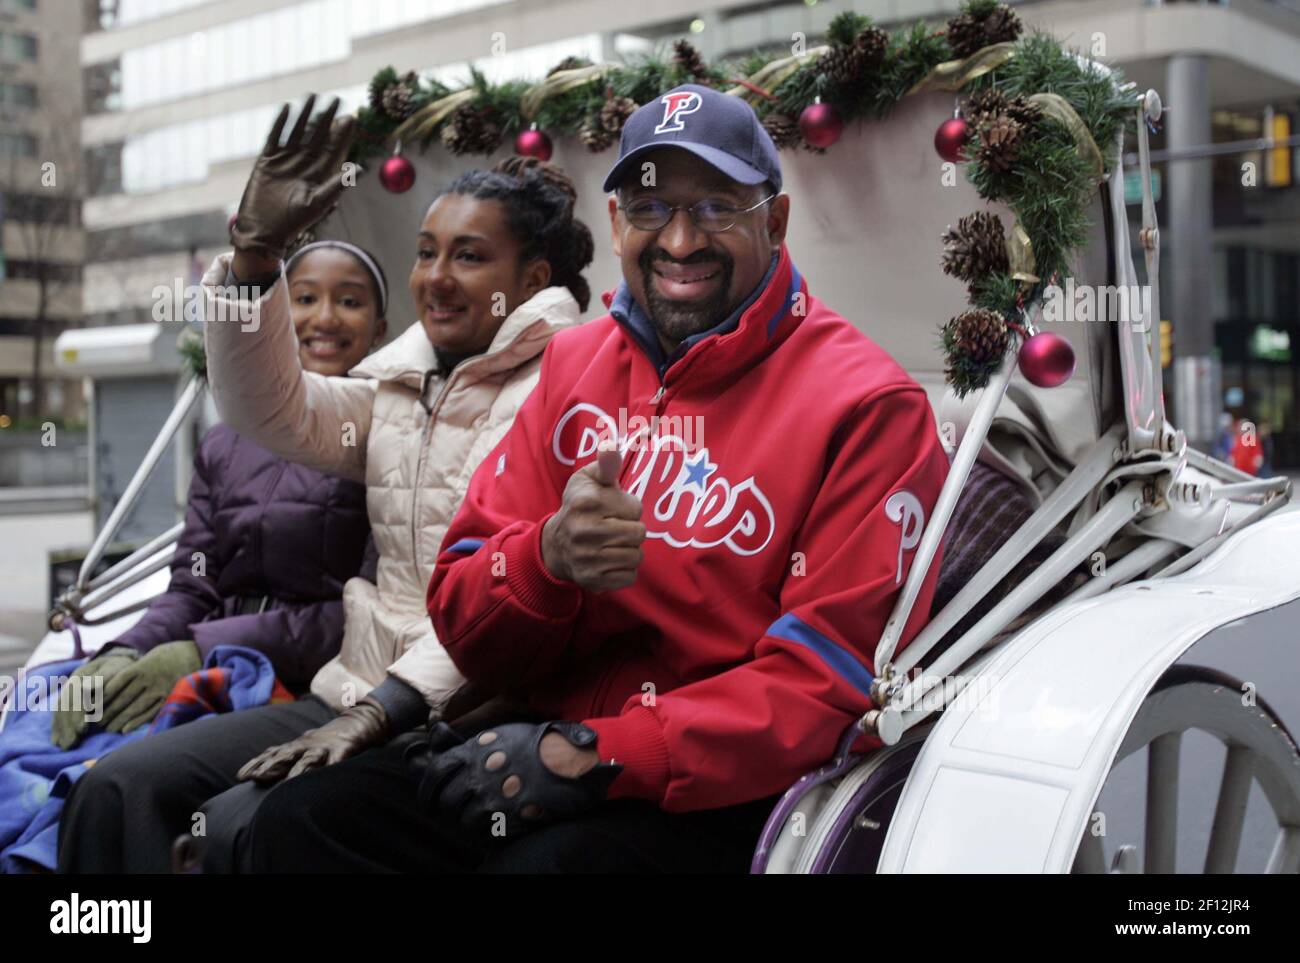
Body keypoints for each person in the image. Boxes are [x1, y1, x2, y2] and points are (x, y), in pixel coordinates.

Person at [243, 84, 950, 873]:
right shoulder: (575, 364)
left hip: (719, 787)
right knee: (300, 824)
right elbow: (461, 605)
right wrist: (546, 560)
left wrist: (598, 753)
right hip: (527, 733)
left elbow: (827, 682)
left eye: (716, 206)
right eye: (649, 209)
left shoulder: (868, 404)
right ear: (615, 224)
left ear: (774, 222)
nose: (679, 240)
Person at [57, 95, 594, 873]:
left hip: (460, 709)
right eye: (426, 252)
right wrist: (254, 254)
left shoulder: (571, 384)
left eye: (470, 257)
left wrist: (385, 710)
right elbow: (262, 407)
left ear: (534, 276)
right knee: (119, 788)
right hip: (349, 688)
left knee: (239, 825)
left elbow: (521, 600)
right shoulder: (402, 386)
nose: (437, 278)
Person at [50, 240, 382, 750]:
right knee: (44, 731)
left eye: (351, 302)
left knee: (117, 779)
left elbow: (365, 614)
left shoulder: (388, 435)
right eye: (305, 298)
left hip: (310, 687)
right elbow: (193, 585)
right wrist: (126, 650)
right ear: (274, 317)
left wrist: (198, 650)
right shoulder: (225, 441)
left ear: (380, 328)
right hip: (206, 663)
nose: (325, 318)